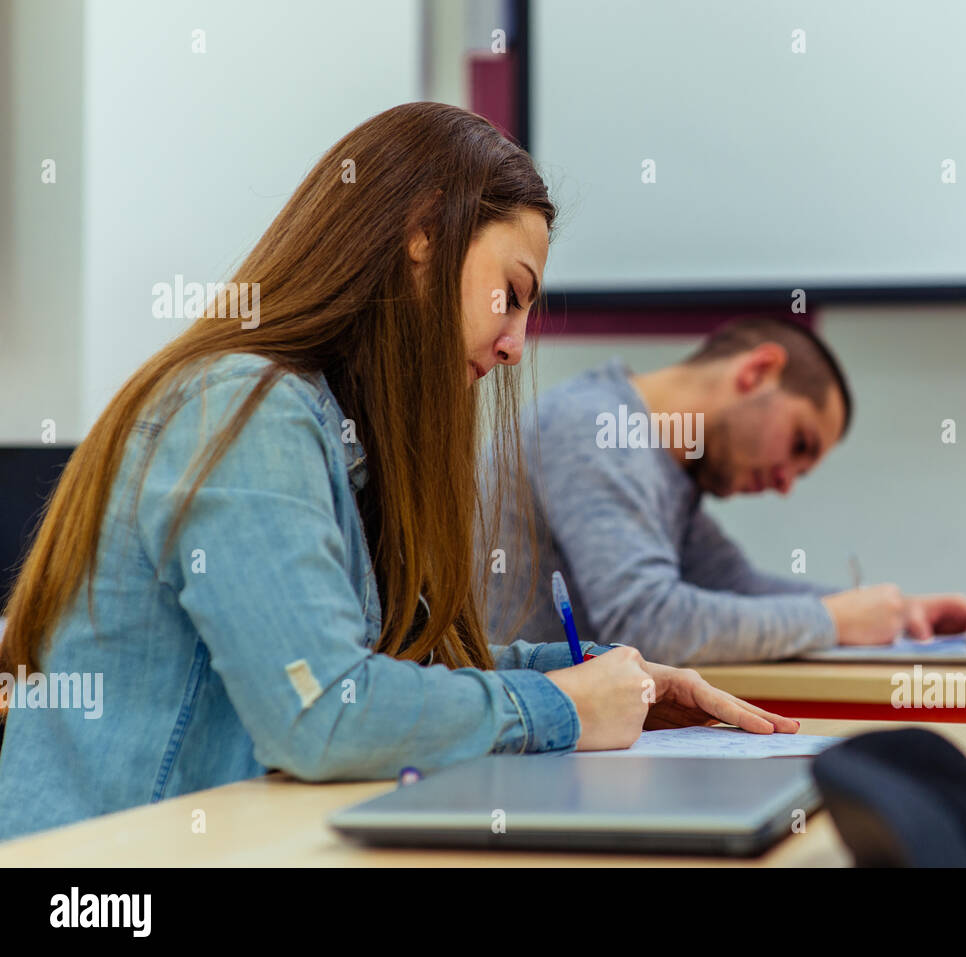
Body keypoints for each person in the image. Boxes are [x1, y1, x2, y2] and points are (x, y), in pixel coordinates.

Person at [0, 103, 795, 841]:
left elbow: (403, 668)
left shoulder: (333, 428)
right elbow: (325, 715)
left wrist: (602, 678)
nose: (516, 343)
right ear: (423, 233)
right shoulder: (245, 410)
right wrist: (561, 707)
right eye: (510, 295)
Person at [483, 317, 966, 666]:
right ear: (758, 372)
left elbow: (733, 585)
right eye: (799, 444)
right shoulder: (595, 428)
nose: (784, 485)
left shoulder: (664, 460)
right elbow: (648, 622)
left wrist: (896, 611)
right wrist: (833, 619)